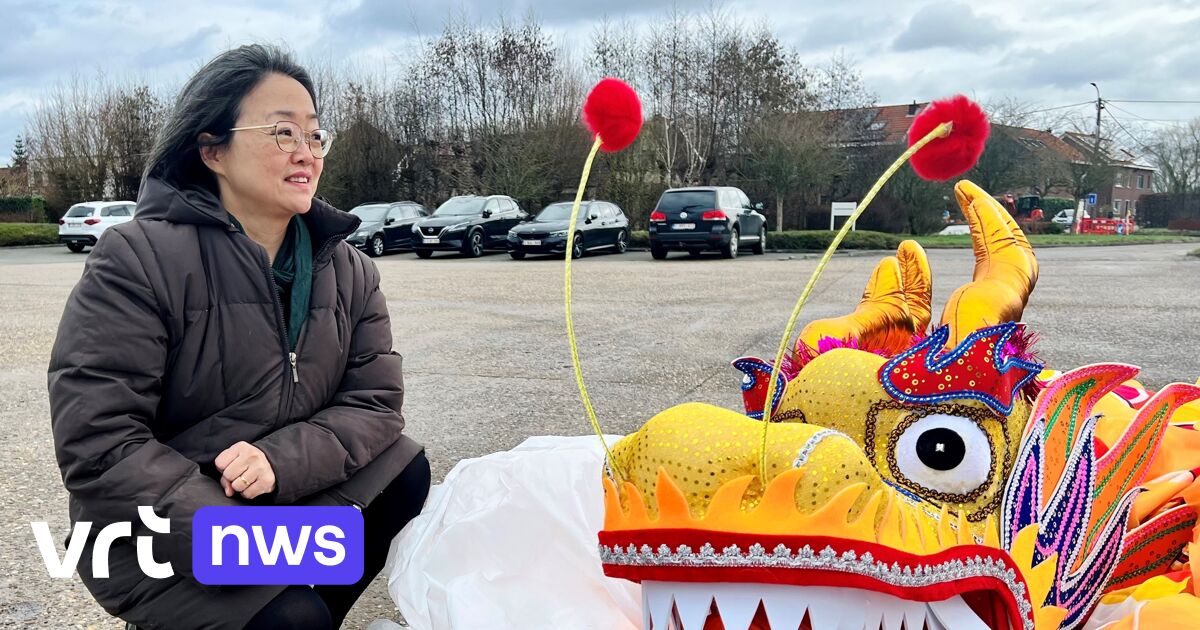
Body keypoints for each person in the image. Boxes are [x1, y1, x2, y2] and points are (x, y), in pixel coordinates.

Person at [47, 44, 429, 630]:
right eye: (282, 132)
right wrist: (230, 533)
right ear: (212, 151)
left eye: (315, 135)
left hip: (278, 498)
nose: (306, 153)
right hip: (165, 527)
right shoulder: (137, 259)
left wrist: (279, 461)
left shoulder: (349, 269)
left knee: (404, 473)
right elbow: (99, 441)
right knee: (292, 618)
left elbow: (374, 404)